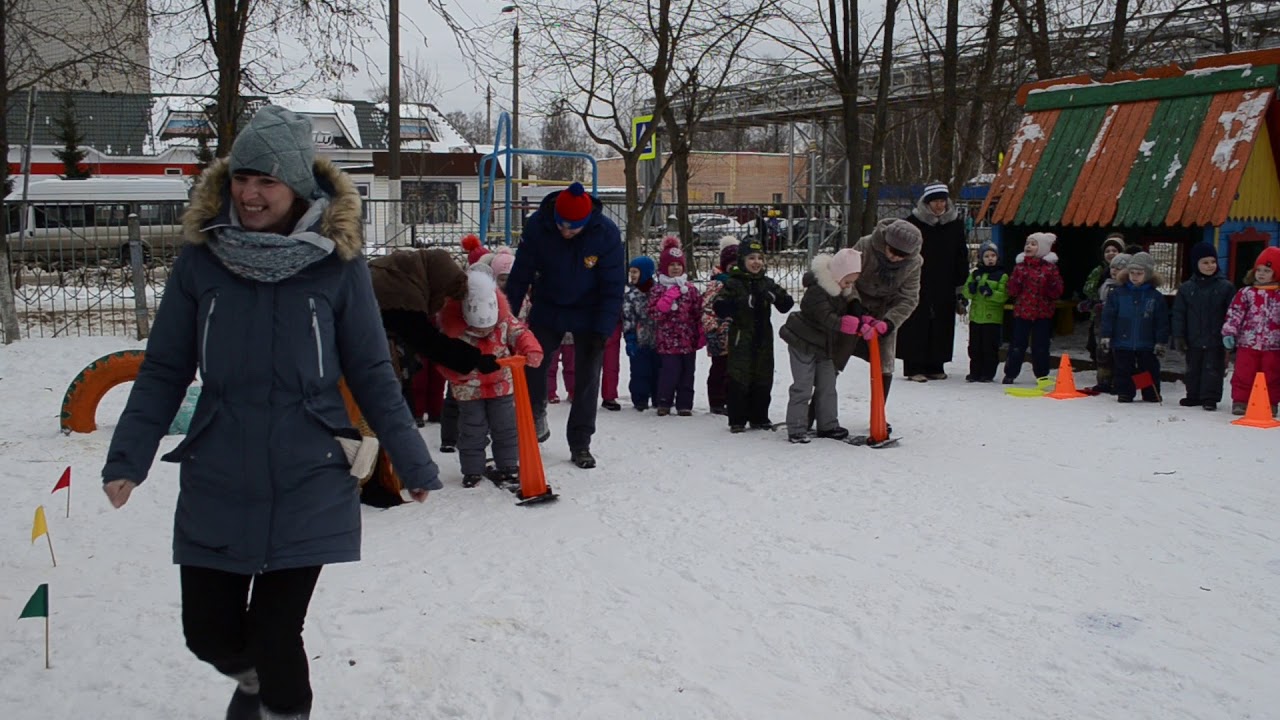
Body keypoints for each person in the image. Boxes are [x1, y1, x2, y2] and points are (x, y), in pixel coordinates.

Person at [99, 105, 441, 720]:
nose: (251, 194)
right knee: (207, 632)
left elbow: (370, 371)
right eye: (242, 178)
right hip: (219, 466)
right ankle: (255, 686)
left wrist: (411, 458)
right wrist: (128, 457)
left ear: (297, 187)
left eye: (267, 181)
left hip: (309, 467)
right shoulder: (201, 262)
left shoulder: (338, 268)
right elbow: (165, 369)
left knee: (277, 634)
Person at [504, 181, 625, 469]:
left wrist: (602, 330)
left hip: (590, 310)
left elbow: (613, 287)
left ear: (586, 222)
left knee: (587, 376)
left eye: (573, 227)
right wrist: (505, 318)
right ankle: (535, 414)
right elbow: (520, 274)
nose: (565, 231)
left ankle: (581, 442)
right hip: (549, 305)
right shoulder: (539, 226)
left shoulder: (605, 234)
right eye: (562, 225)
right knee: (533, 362)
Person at [436, 266, 543, 487]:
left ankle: (508, 465)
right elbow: (442, 358)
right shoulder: (452, 329)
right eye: (478, 329)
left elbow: (520, 333)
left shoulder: (504, 320)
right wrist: (458, 374)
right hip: (468, 389)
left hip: (501, 384)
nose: (484, 333)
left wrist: (531, 350)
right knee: (472, 430)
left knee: (506, 428)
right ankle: (472, 470)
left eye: (488, 329)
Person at [780, 248, 864, 443]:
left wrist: (862, 319)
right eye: (847, 281)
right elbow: (825, 316)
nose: (849, 286)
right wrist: (844, 323)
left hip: (824, 346)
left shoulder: (841, 290)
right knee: (803, 385)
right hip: (802, 343)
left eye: (852, 282)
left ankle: (828, 425)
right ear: (836, 274)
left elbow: (845, 312)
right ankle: (797, 428)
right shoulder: (817, 290)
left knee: (828, 385)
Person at [713, 235, 795, 431]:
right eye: (751, 258)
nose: (756, 262)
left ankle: (759, 416)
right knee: (739, 376)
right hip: (741, 338)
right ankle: (737, 419)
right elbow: (719, 307)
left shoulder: (766, 282)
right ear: (742, 260)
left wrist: (773, 296)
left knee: (763, 376)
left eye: (759, 258)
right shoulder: (734, 283)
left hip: (763, 338)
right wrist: (739, 303)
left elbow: (786, 304)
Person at [897, 182, 970, 381]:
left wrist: (960, 282)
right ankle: (914, 366)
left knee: (941, 322)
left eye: (942, 201)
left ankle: (935, 363)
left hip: (945, 279)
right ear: (927, 203)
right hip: (918, 278)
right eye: (936, 201)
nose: (940, 206)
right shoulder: (913, 223)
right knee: (916, 321)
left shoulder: (954, 224)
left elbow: (960, 253)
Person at [849, 218, 924, 410]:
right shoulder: (865, 246)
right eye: (893, 251)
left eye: (901, 255)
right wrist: (854, 305)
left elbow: (909, 298)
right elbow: (845, 276)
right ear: (886, 242)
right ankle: (818, 411)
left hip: (884, 312)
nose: (895, 258)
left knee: (885, 360)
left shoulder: (914, 263)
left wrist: (890, 322)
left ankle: (878, 414)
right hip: (853, 306)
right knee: (834, 356)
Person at [1171, 242, 1235, 410]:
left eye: (1213, 262)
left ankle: (1210, 397)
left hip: (1216, 338)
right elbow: (1179, 314)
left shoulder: (1225, 287)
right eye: (1205, 262)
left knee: (1213, 369)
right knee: (1193, 368)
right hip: (1193, 337)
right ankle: (1193, 395)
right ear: (1196, 264)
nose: (1210, 266)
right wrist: (1178, 336)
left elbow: (1232, 313)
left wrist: (1230, 335)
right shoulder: (1186, 288)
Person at [1100, 251, 1169, 403]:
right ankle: (1125, 392)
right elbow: (1108, 316)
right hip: (1122, 339)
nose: (1135, 276)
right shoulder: (1118, 293)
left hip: (1146, 341)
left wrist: (1160, 341)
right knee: (1123, 369)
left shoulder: (1155, 296)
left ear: (1148, 274)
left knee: (1148, 368)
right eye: (1132, 272)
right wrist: (1106, 335)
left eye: (1139, 273)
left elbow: (1161, 321)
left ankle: (1150, 393)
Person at [649, 235, 705, 416]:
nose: (675, 268)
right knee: (669, 373)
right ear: (665, 267)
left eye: (678, 265)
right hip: (667, 341)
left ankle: (684, 404)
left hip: (688, 340)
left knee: (688, 374)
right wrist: (665, 302)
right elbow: (653, 313)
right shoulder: (658, 289)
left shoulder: (690, 289)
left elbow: (698, 311)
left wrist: (701, 331)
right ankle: (664, 402)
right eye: (671, 265)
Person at [1222, 247, 1280, 416]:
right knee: (1244, 373)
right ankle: (1240, 401)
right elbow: (1235, 313)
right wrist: (1229, 332)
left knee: (1272, 375)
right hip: (1248, 343)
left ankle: (1271, 402)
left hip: (1273, 345)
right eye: (1259, 270)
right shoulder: (1246, 293)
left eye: (1267, 271)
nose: (1261, 274)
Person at [1002, 232, 1064, 384]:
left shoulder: (1050, 269)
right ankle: (1010, 373)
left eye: (1033, 244)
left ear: (1042, 248)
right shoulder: (1020, 267)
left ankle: (1042, 374)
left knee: (1041, 346)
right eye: (1027, 243)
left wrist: (1051, 285)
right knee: (1017, 345)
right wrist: (1016, 281)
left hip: (1042, 313)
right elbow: (1012, 290)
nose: (1029, 246)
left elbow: (1057, 292)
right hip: (1023, 312)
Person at [960, 241, 1009, 382]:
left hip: (992, 318)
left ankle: (988, 373)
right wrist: (972, 289)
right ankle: (974, 372)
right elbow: (966, 292)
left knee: (989, 347)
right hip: (976, 317)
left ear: (997, 257)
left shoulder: (1002, 275)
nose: (990, 258)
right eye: (986, 256)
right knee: (975, 347)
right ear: (981, 258)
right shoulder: (975, 273)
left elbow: (1003, 296)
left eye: (993, 255)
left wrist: (990, 293)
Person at [701, 237, 739, 416]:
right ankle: (716, 400)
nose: (735, 267)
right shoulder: (717, 283)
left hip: (736, 334)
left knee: (734, 369)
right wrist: (714, 328)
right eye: (731, 264)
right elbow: (707, 308)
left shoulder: (741, 283)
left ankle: (731, 399)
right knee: (719, 368)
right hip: (718, 333)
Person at [1080, 233, 1126, 371]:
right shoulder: (1099, 270)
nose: (1111, 254)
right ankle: (1102, 373)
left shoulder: (1128, 273)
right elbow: (1088, 288)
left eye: (1114, 251)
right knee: (1095, 345)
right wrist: (1093, 301)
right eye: (1107, 251)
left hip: (1120, 317)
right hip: (1099, 315)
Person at [623, 255, 659, 410]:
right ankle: (640, 399)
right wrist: (630, 338)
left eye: (636, 272)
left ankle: (659, 397)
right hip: (640, 339)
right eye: (631, 272)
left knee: (658, 369)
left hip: (659, 339)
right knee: (639, 371)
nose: (632, 275)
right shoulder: (630, 294)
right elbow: (628, 318)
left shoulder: (658, 291)